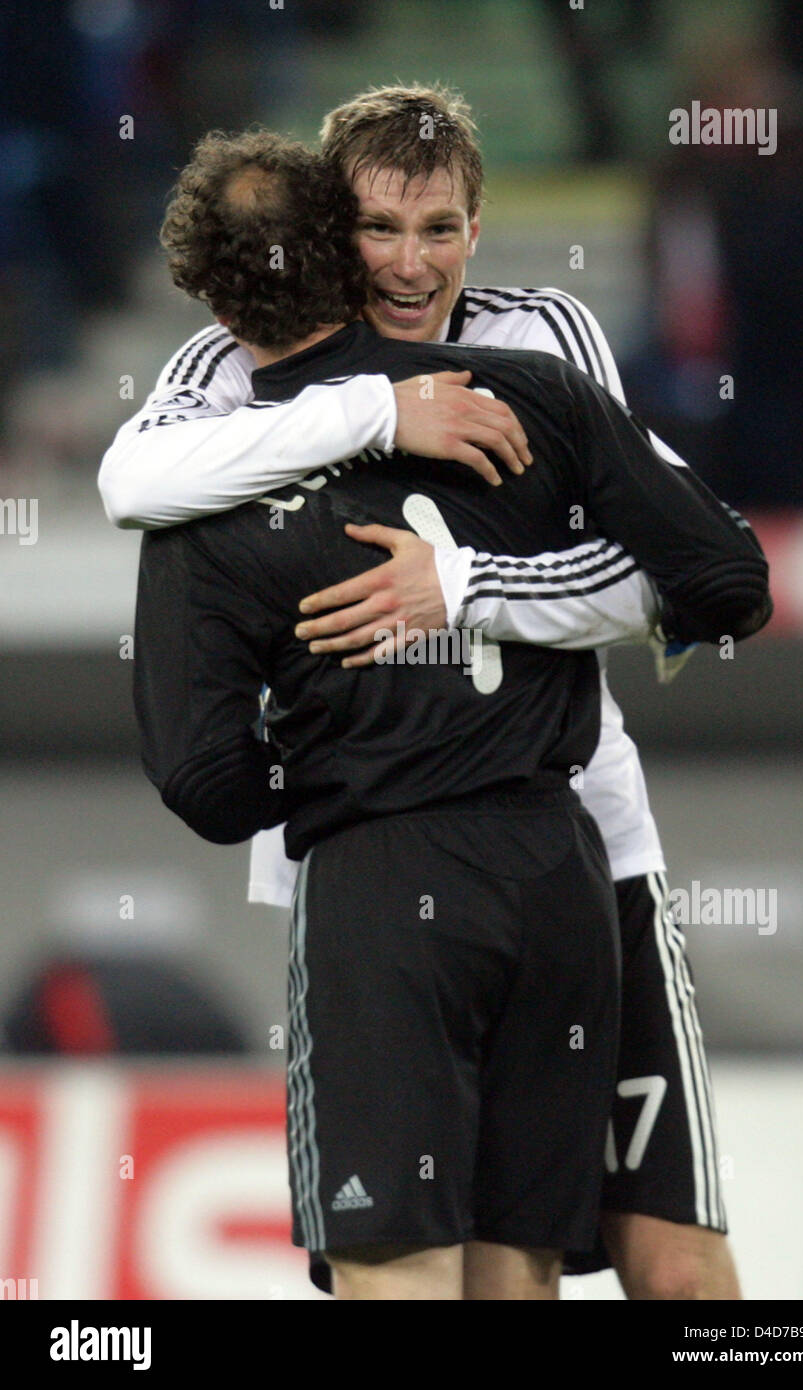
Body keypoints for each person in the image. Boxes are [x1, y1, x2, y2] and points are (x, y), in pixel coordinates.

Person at [101, 83, 746, 1300]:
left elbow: (678, 568)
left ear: (476, 228)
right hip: (366, 854)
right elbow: (131, 478)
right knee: (436, 1264)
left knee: (670, 1262)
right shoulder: (233, 363)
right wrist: (380, 406)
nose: (411, 261)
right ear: (322, 228)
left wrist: (462, 584)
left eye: (440, 228)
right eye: (379, 229)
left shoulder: (541, 340)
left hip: (583, 836)